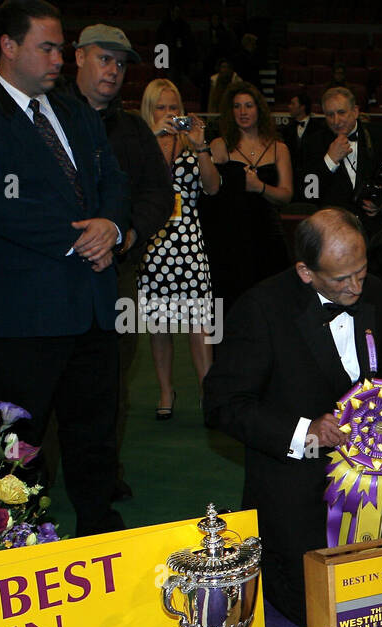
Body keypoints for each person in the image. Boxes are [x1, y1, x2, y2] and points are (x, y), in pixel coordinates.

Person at [203, 208, 382, 627]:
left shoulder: (372, 293)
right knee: (318, 611)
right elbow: (222, 404)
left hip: (381, 453)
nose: (356, 286)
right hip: (300, 467)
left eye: (362, 270)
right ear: (305, 271)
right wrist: (305, 431)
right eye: (341, 279)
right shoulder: (260, 309)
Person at [0, 0, 129, 537]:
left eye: (61, 47)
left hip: (91, 307)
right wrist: (83, 238)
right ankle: (22, 537)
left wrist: (112, 225)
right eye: (48, 47)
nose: (60, 58)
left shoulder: (76, 112)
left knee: (96, 435)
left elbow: (114, 181)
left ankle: (99, 527)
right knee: (20, 444)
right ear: (9, 47)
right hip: (22, 314)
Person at [69, 22, 172, 502]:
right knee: (53, 377)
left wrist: (129, 234)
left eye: (120, 62)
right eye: (103, 58)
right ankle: (35, 479)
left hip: (118, 273)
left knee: (111, 377)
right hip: (52, 272)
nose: (112, 70)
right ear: (78, 58)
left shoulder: (132, 129)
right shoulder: (45, 119)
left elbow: (158, 192)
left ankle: (103, 472)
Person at [137, 78, 219, 419]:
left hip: (189, 242)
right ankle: (165, 390)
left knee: (199, 322)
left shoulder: (192, 142)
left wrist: (201, 148)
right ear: (149, 111)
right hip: (153, 240)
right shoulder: (140, 143)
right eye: (161, 108)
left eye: (174, 108)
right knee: (160, 324)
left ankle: (207, 391)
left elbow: (213, 188)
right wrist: (153, 139)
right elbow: (131, 182)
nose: (169, 114)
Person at [201, 81, 290, 307]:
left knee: (270, 306)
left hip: (268, 237)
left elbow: (286, 195)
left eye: (248, 105)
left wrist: (259, 186)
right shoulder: (220, 146)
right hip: (230, 240)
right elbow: (209, 189)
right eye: (237, 106)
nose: (243, 112)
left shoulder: (279, 148)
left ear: (259, 109)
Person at [301, 86, 382, 237]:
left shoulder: (381, 136)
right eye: (329, 115)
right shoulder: (313, 143)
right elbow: (309, 194)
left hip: (377, 232)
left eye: (341, 113)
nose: (336, 121)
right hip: (332, 232)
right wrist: (330, 161)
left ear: (355, 111)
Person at [277, 88, 326, 202]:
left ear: (302, 107)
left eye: (293, 104)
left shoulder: (319, 129)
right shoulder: (286, 130)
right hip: (292, 178)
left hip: (313, 178)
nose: (289, 106)